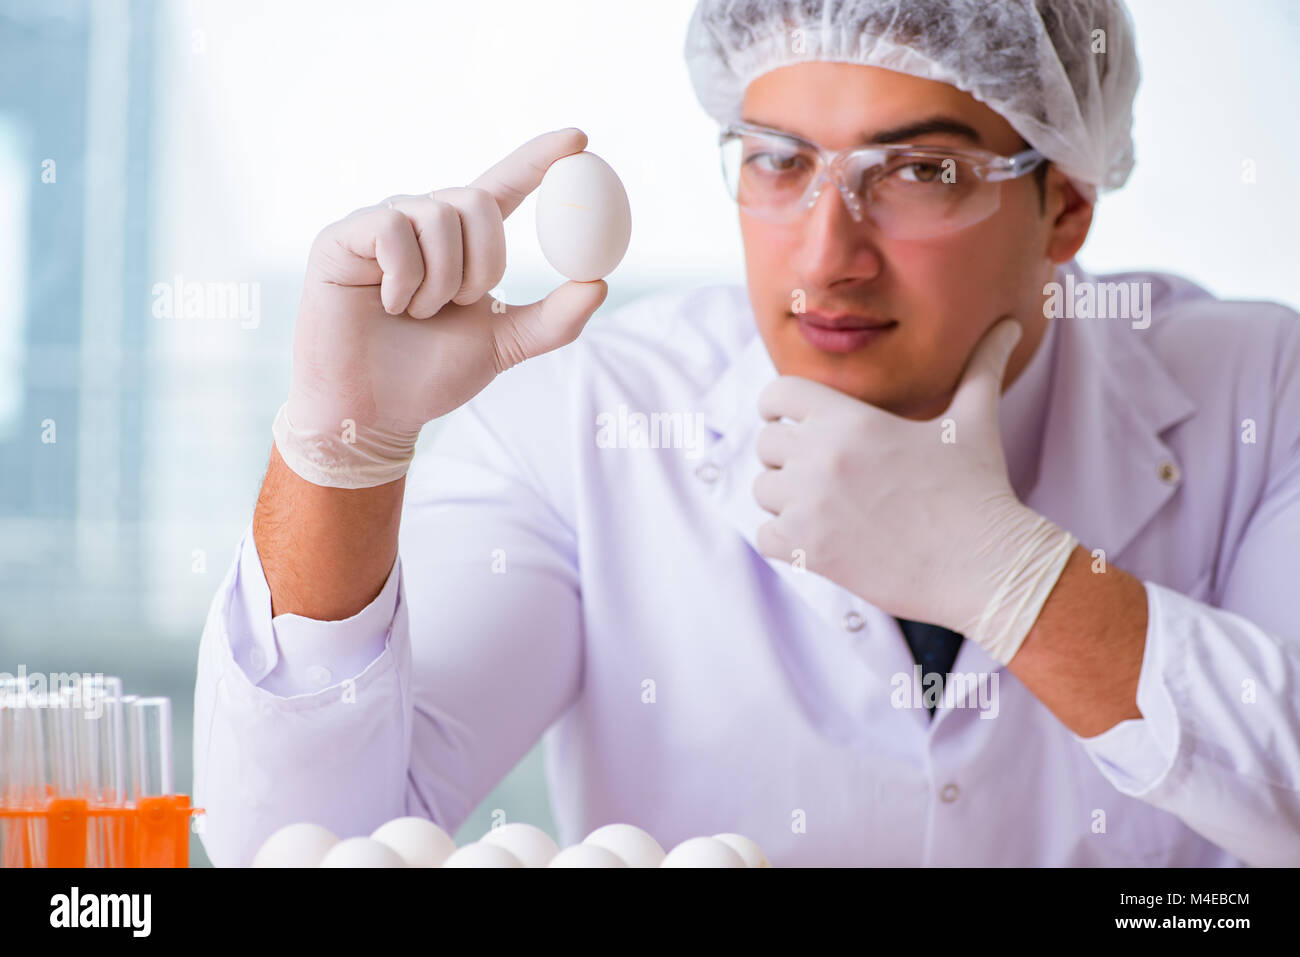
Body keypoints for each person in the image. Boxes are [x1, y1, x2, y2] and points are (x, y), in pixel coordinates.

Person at [193, 0, 1300, 866]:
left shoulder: (1262, 392)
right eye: (778, 159)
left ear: (1064, 202)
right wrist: (343, 455)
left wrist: (1013, 579)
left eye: (917, 171)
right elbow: (298, 847)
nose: (826, 257)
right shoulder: (590, 426)